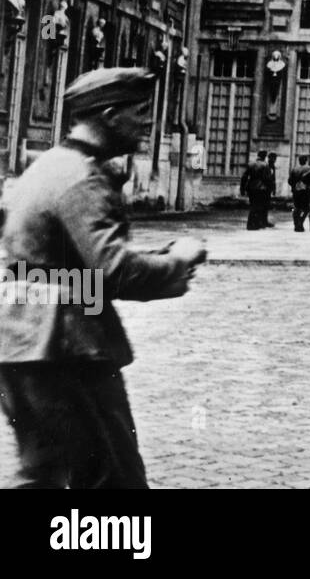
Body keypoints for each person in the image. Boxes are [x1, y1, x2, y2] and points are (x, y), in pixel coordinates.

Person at [0, 68, 208, 487]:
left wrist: (153, 259)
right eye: (140, 112)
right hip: (66, 346)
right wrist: (179, 261)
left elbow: (64, 266)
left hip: (25, 341)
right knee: (111, 480)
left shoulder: (51, 167)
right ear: (111, 116)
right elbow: (112, 271)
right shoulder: (82, 178)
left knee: (45, 473)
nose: (147, 123)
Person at [242, 149, 267, 230]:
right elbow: (267, 178)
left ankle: (252, 223)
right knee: (258, 206)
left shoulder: (250, 164)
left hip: (251, 187)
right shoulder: (265, 165)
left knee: (253, 205)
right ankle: (253, 224)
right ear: (264, 156)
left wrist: (242, 188)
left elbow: (244, 177)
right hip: (261, 188)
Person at [289, 153, 310, 233]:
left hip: (296, 191)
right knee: (306, 208)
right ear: (306, 161)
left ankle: (296, 224)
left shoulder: (294, 169)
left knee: (296, 208)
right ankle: (300, 223)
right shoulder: (309, 169)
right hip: (305, 191)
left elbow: (290, 181)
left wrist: (294, 186)